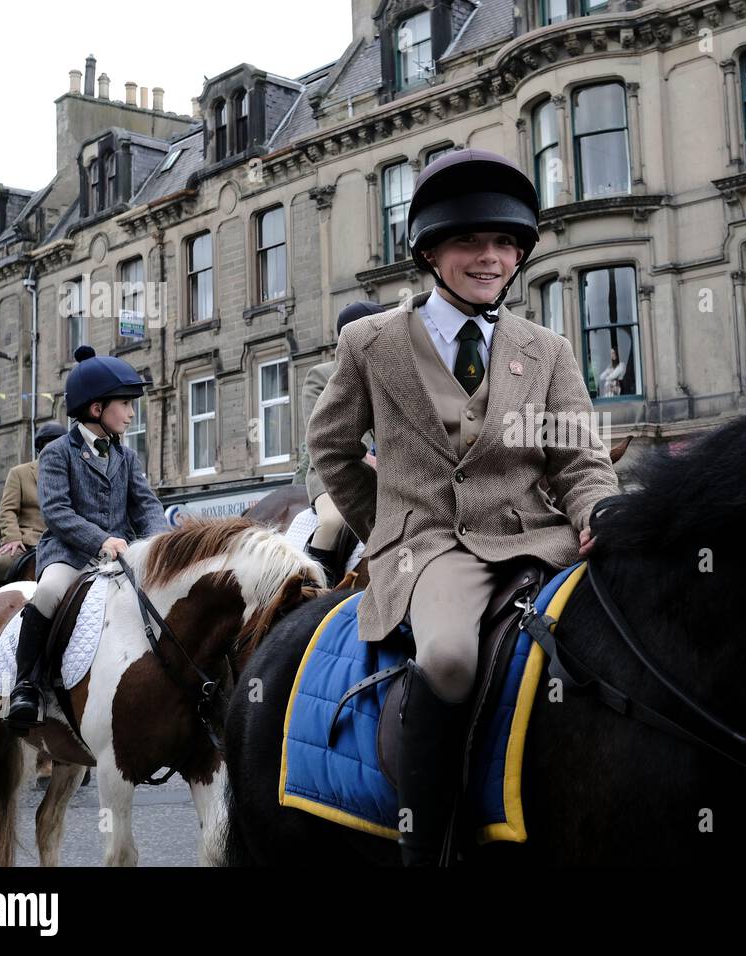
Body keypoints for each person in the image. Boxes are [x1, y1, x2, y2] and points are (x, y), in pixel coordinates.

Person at [308, 148, 620, 865]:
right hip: (431, 550)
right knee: (447, 658)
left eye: (505, 243)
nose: (490, 257)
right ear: (429, 251)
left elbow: (579, 458)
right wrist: (387, 532)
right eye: (470, 243)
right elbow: (331, 448)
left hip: (536, 539)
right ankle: (428, 843)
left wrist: (597, 512)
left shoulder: (547, 349)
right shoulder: (370, 341)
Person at [4, 347, 167, 730]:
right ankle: (26, 684)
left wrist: (164, 544)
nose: (130, 413)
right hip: (70, 552)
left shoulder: (126, 457)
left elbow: (146, 505)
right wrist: (100, 541)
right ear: (97, 409)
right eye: (124, 404)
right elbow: (57, 512)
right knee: (47, 593)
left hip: (121, 553)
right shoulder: (58, 453)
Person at [299, 300, 384, 585]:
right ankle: (315, 587)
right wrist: (367, 459)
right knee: (333, 521)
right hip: (333, 470)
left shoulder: (390, 374)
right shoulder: (322, 376)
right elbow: (321, 432)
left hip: (385, 472)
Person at [0, 423, 68, 580]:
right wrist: (13, 538)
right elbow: (8, 510)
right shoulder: (19, 473)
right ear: (40, 449)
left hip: (64, 540)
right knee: (0, 564)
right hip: (28, 541)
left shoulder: (74, 475)